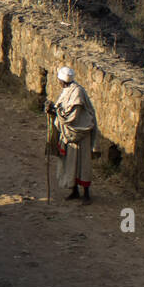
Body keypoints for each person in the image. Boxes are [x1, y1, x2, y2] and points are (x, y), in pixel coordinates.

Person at [46, 66, 98, 204]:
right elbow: (61, 110)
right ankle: (74, 190)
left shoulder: (77, 93)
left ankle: (86, 194)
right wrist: (52, 110)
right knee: (70, 163)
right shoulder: (67, 91)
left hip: (80, 133)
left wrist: (56, 112)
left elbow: (71, 116)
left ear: (62, 80)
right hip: (69, 133)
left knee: (83, 164)